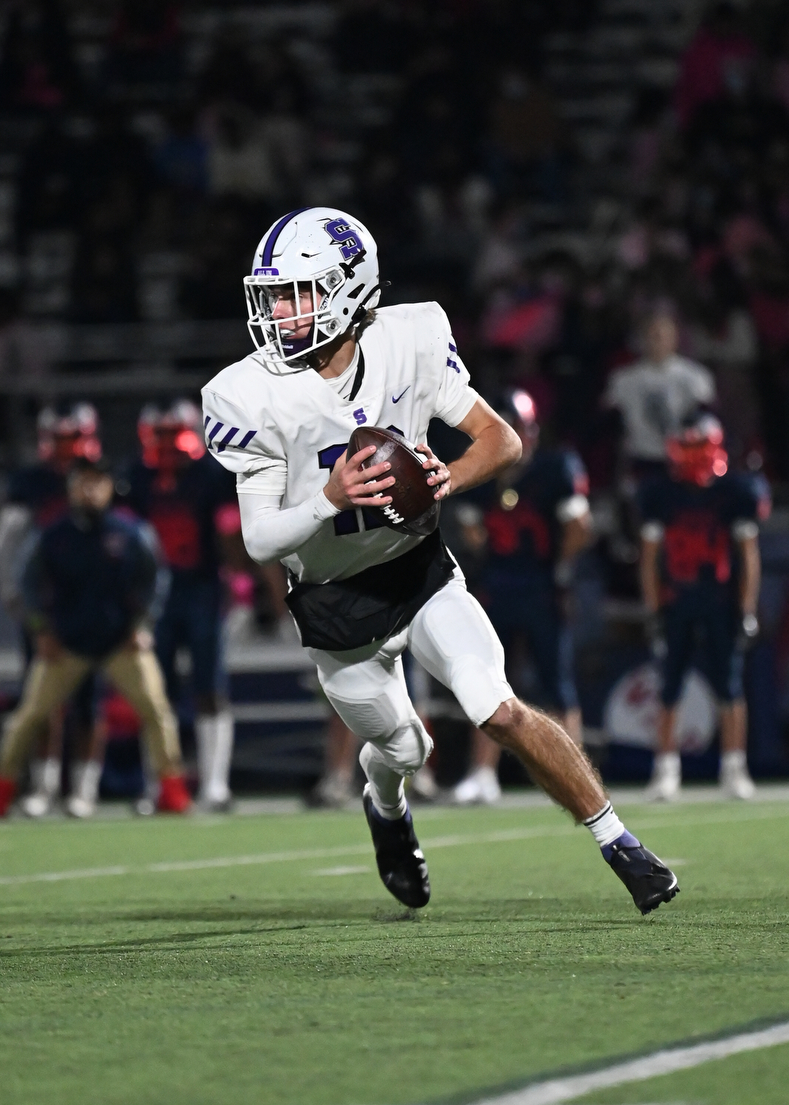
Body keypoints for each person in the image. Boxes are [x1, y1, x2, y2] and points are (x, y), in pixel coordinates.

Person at [201, 206, 678, 915]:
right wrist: (331, 497)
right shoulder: (246, 392)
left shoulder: (412, 337)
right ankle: (386, 807)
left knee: (499, 706)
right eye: (275, 296)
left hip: (416, 567)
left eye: (299, 293)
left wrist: (444, 478)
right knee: (403, 749)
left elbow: (502, 439)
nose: (282, 312)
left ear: (350, 288)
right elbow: (261, 540)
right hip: (334, 602)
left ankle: (620, 842)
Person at [0, 458, 190, 817]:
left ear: (109, 489)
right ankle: (4, 789)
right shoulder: (53, 535)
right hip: (67, 644)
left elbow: (155, 581)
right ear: (71, 489)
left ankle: (172, 789)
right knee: (28, 716)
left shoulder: (131, 533)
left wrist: (142, 626)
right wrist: (41, 629)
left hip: (120, 641)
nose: (90, 491)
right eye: (82, 483)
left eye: (97, 483)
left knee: (157, 709)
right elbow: (26, 584)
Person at [451, 387, 592, 804]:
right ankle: (482, 773)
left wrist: (558, 569)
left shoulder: (555, 467)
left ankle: (576, 775)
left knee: (558, 684)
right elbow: (473, 531)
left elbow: (579, 527)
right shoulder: (484, 470)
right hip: (498, 586)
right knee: (487, 682)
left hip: (540, 585)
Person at [638, 414, 764, 801]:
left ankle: (733, 767)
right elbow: (649, 559)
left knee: (729, 685)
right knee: (669, 685)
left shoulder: (734, 492)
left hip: (718, 598)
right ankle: (665, 769)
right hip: (677, 599)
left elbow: (748, 556)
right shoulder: (661, 493)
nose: (690, 457)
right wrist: (653, 609)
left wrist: (746, 609)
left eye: (696, 447)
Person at [123, 401, 236, 809]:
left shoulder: (211, 475)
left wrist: (239, 583)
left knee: (209, 687)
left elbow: (229, 536)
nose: (169, 445)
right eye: (163, 435)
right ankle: (160, 783)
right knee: (155, 694)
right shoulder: (137, 477)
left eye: (175, 434)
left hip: (202, 588)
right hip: (154, 597)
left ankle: (215, 785)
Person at [0, 404, 103, 817]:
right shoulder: (31, 485)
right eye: (58, 441)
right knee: (42, 700)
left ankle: (84, 788)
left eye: (71, 439)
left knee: (87, 700)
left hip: (93, 604)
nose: (65, 450)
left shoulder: (101, 478)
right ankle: (42, 785)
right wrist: (17, 597)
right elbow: (12, 544)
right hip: (47, 602)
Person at [604, 312, 715, 478]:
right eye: (651, 336)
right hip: (641, 457)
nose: (656, 342)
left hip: (682, 461)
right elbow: (610, 418)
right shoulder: (624, 379)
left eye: (662, 336)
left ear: (674, 339)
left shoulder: (694, 377)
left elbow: (706, 419)